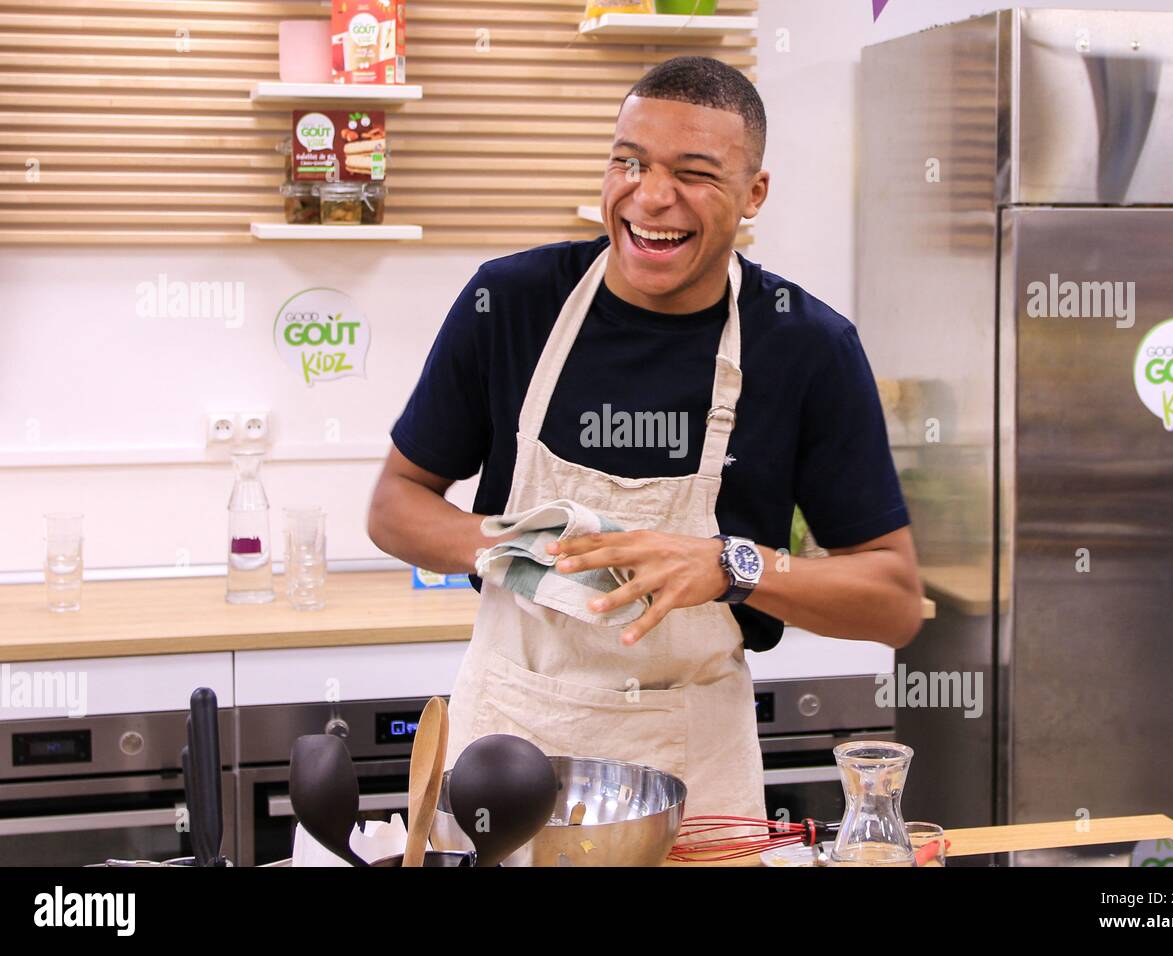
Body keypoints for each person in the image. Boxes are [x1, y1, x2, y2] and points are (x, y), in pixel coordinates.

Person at [368, 56, 922, 828]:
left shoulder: (806, 346)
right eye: (629, 161)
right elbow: (395, 507)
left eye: (695, 173)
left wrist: (729, 564)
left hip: (690, 775)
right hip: (506, 751)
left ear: (754, 193)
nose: (650, 196)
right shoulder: (513, 304)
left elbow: (893, 603)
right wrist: (512, 549)